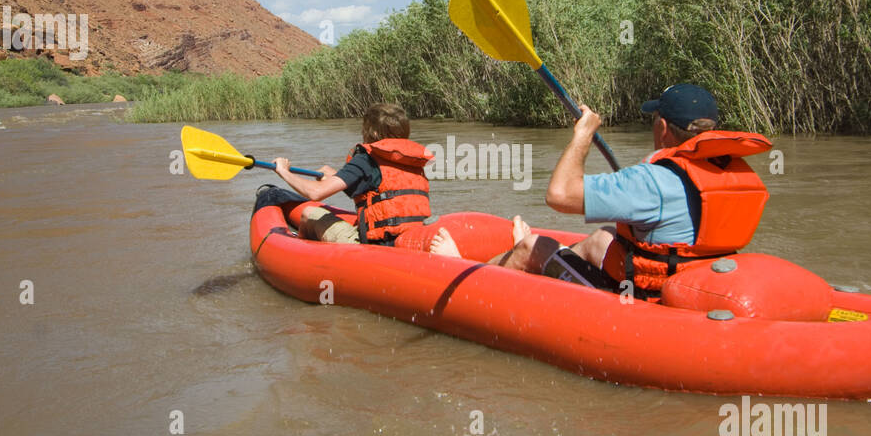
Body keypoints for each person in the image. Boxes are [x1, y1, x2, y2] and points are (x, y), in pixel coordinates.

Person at [429, 84, 771, 299]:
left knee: (533, 246)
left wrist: (583, 134)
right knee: (603, 237)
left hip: (648, 300)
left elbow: (559, 195)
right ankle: (542, 263)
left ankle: (469, 267)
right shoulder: (731, 169)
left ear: (663, 127)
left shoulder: (649, 181)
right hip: (698, 285)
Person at [270, 102, 433, 246]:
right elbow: (378, 189)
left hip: (378, 246)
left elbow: (315, 193)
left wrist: (284, 171)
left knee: (308, 214)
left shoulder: (367, 159)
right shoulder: (413, 162)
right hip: (408, 241)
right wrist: (334, 175)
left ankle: (302, 252)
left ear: (374, 133)